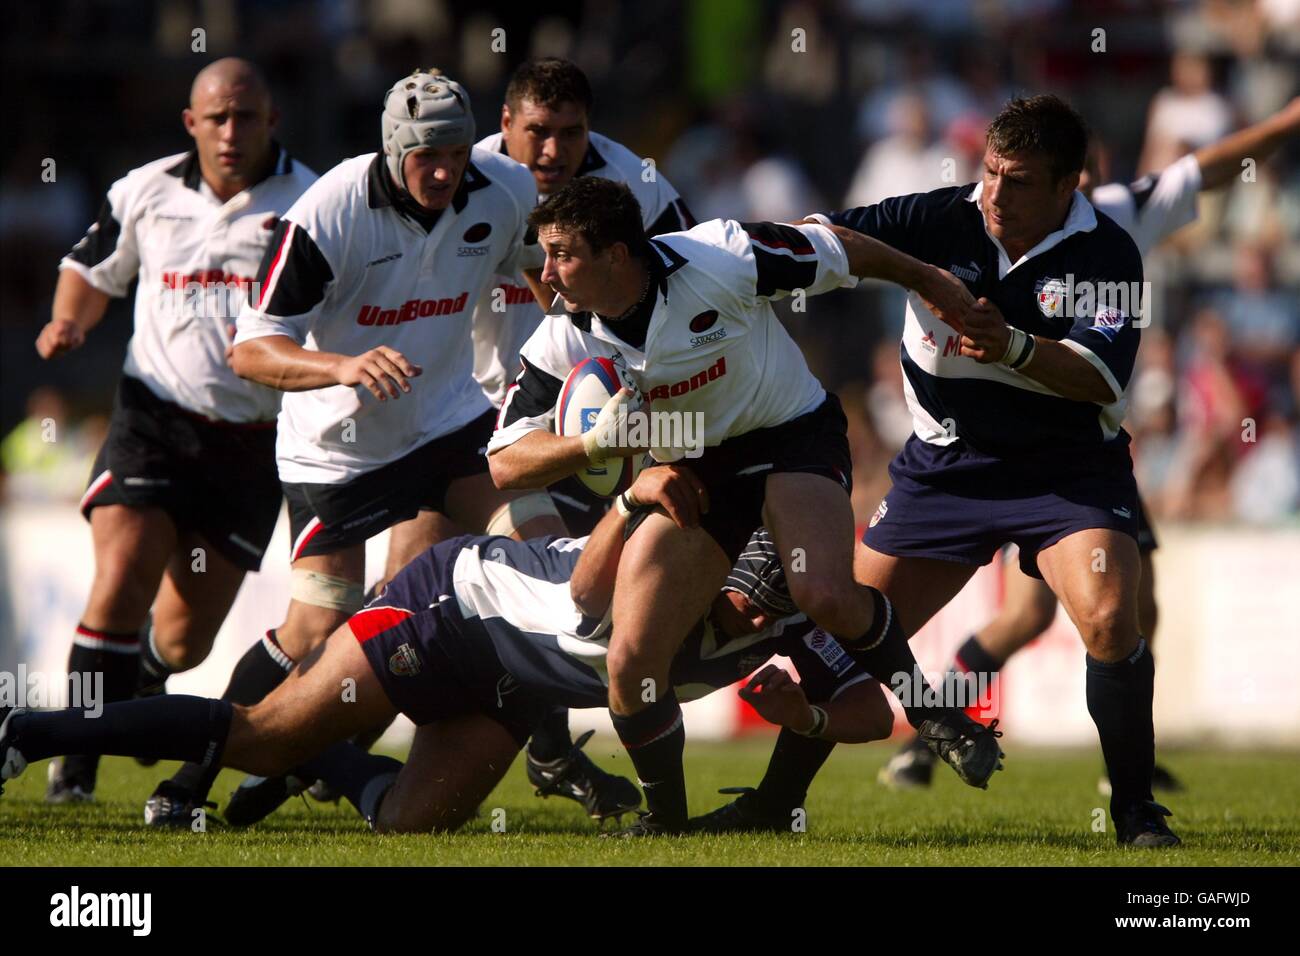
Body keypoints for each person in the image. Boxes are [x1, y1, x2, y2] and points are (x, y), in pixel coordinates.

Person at [488, 175, 1004, 835]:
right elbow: (504, 462)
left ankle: (933, 715)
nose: (547, 271)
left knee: (821, 592)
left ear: (617, 254)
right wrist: (591, 445)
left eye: (562, 254)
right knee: (633, 656)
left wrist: (928, 281)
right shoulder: (566, 337)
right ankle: (666, 826)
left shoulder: (722, 256)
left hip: (791, 433)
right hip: (698, 466)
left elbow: (842, 249)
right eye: (545, 253)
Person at [0, 469, 896, 834]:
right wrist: (626, 505)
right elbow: (586, 599)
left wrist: (809, 713)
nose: (742, 620)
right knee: (262, 737)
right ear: (712, 571)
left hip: (514, 684)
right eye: (736, 598)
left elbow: (870, 708)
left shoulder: (797, 614)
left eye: (761, 611)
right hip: (452, 608)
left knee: (407, 825)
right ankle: (30, 731)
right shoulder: (674, 570)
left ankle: (336, 758)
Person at [142, 69, 575, 825]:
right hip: (336, 450)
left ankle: (564, 752)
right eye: (425, 157)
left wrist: (582, 331)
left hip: (448, 428)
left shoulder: (501, 187)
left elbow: (536, 268)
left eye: (455, 154)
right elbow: (252, 351)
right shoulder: (331, 210)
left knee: (549, 556)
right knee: (313, 626)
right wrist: (343, 365)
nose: (444, 171)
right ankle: (190, 781)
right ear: (391, 147)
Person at [878, 95, 1300, 795]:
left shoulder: (1115, 221)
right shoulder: (983, 217)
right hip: (1008, 449)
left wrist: (1285, 127)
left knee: (1130, 606)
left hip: (1084, 446)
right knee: (1032, 613)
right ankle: (941, 731)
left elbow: (1209, 169)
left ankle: (1120, 769)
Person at [829, 94, 1178, 847]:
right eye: (989, 173)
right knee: (842, 642)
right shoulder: (939, 216)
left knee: (1112, 617)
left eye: (1018, 182)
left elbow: (1101, 380)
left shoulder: (1110, 250)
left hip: (1067, 472)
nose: (993, 193)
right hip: (947, 467)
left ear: (1067, 187)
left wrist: (1013, 345)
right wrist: (905, 271)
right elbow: (820, 238)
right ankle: (780, 799)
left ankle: (1137, 813)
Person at [32, 58, 317, 807]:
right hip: (152, 419)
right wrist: (68, 321)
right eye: (216, 118)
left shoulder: (313, 202)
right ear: (190, 124)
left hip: (249, 442)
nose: (230, 132)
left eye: (245, 117)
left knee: (185, 640)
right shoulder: (144, 190)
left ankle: (136, 686)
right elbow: (92, 270)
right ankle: (76, 761)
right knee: (121, 574)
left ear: (271, 123)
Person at [467, 56, 695, 818]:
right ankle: (548, 746)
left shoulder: (637, 186)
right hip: (482, 415)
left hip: (612, 418)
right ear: (507, 125)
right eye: (537, 132)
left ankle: (556, 744)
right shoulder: (458, 182)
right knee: (511, 572)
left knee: (579, 591)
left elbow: (692, 274)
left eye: (570, 133)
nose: (552, 151)